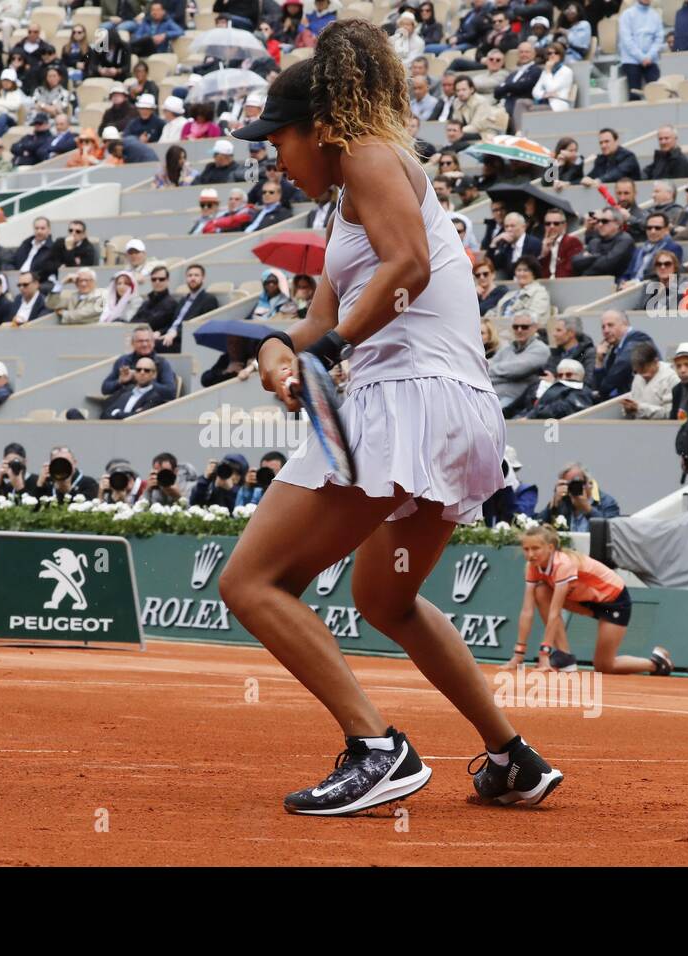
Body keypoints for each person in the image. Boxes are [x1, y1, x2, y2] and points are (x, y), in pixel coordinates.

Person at [222, 20, 561, 815]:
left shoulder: (369, 158)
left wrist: (330, 350)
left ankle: (377, 748)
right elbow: (317, 321)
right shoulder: (348, 204)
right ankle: (511, 757)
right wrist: (279, 349)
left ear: (319, 127)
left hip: (409, 400)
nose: (274, 156)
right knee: (385, 597)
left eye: (279, 139)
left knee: (253, 581)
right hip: (448, 407)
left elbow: (405, 266)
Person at [506, 525, 671, 676]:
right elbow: (527, 611)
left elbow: (555, 612)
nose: (530, 554)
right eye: (526, 549)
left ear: (550, 548)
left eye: (535, 548)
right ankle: (565, 657)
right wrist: (518, 655)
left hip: (613, 602)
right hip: (585, 601)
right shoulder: (532, 567)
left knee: (604, 666)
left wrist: (544, 654)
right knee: (541, 591)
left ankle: (656, 663)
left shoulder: (563, 564)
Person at [592, 310, 655, 400]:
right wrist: (599, 360)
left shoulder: (638, 339)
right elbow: (600, 387)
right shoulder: (614, 349)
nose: (606, 331)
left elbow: (607, 384)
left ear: (625, 324)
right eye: (603, 327)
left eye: (610, 325)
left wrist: (601, 390)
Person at [485, 257, 551, 327]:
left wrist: (507, 320)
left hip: (521, 330)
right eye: (518, 270)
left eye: (526, 270)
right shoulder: (511, 294)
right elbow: (496, 310)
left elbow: (534, 316)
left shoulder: (540, 292)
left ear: (534, 273)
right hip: (500, 329)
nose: (521, 274)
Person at [101, 356, 170, 418]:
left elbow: (138, 418)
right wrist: (129, 413)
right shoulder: (126, 391)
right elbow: (104, 414)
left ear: (154, 374)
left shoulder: (155, 397)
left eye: (147, 370)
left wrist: (116, 412)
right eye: (138, 370)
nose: (142, 373)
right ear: (134, 372)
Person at [620, 343, 677, 419]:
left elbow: (669, 414)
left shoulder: (672, 378)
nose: (643, 376)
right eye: (639, 372)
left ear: (655, 361)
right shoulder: (638, 376)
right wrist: (628, 409)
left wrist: (640, 408)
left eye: (646, 371)